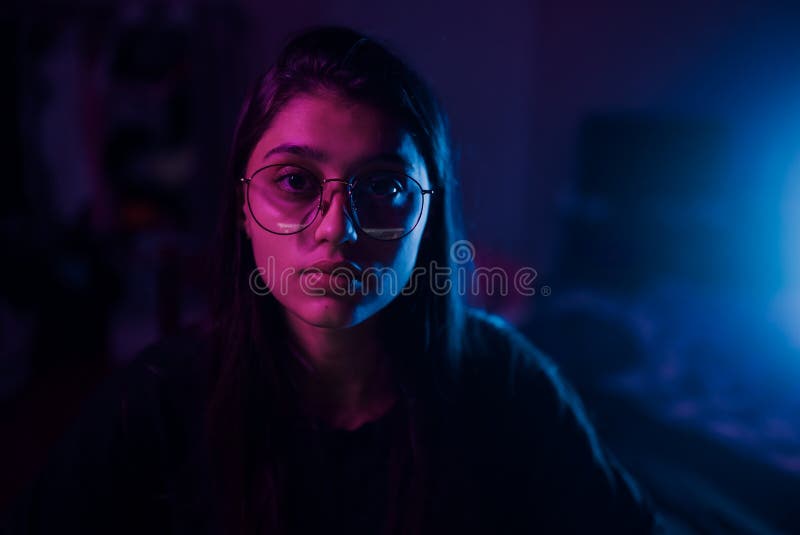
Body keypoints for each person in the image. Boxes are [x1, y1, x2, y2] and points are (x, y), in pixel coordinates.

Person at [2, 25, 661, 535]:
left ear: (430, 217)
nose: (337, 228)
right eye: (294, 181)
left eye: (384, 188)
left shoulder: (508, 387)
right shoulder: (157, 406)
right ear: (243, 206)